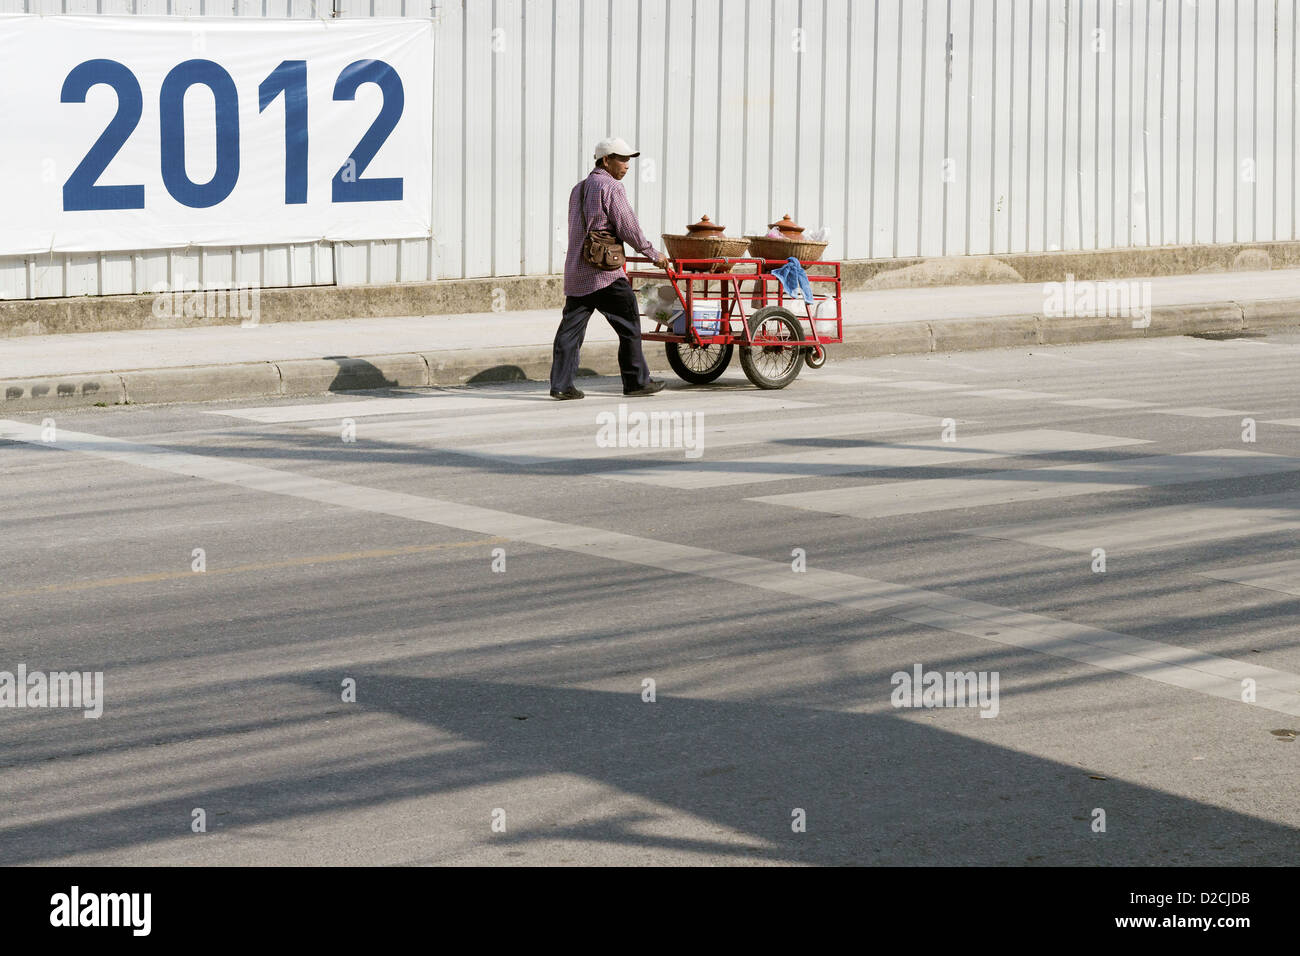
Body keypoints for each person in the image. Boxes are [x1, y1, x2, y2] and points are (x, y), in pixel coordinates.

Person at [549, 137, 671, 400]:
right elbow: (629, 228)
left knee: (570, 331)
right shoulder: (611, 187)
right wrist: (652, 253)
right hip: (605, 274)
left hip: (577, 273)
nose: (627, 165)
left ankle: (561, 385)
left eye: (629, 160)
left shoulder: (578, 189)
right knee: (629, 325)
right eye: (622, 159)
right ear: (606, 160)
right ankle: (636, 381)